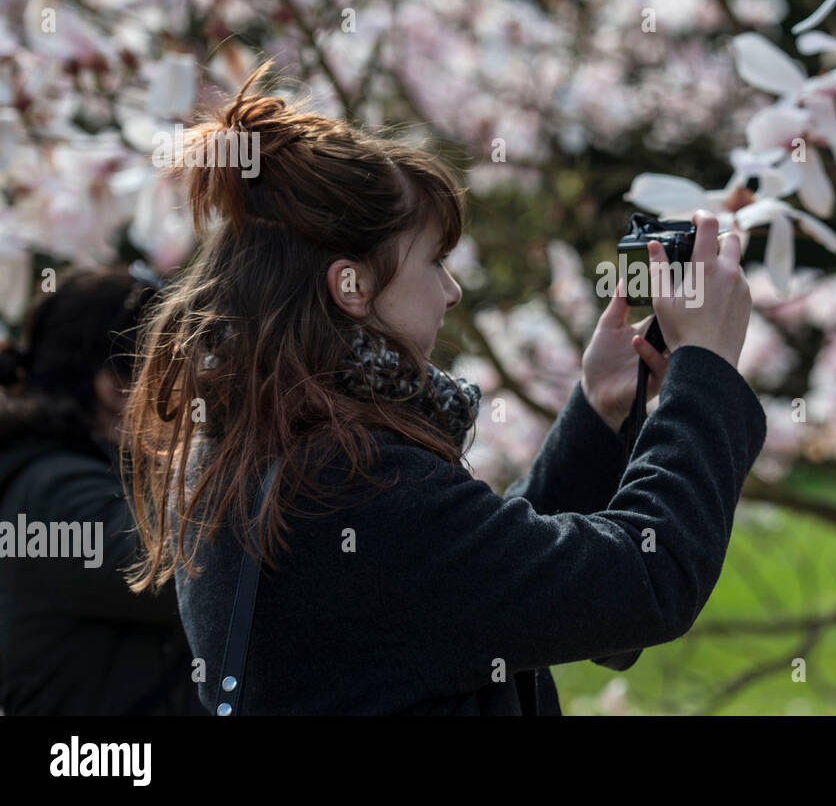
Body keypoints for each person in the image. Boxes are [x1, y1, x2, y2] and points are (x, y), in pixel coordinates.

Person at [124, 61, 768, 715]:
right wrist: (705, 370)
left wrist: (600, 413)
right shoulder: (350, 480)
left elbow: (477, 588)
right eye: (434, 261)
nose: (453, 291)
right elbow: (642, 584)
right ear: (351, 285)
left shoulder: (263, 445)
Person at [0, 267, 206, 715]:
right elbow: (191, 570)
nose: (192, 398)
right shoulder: (52, 496)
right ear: (114, 388)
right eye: (174, 372)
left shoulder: (55, 476)